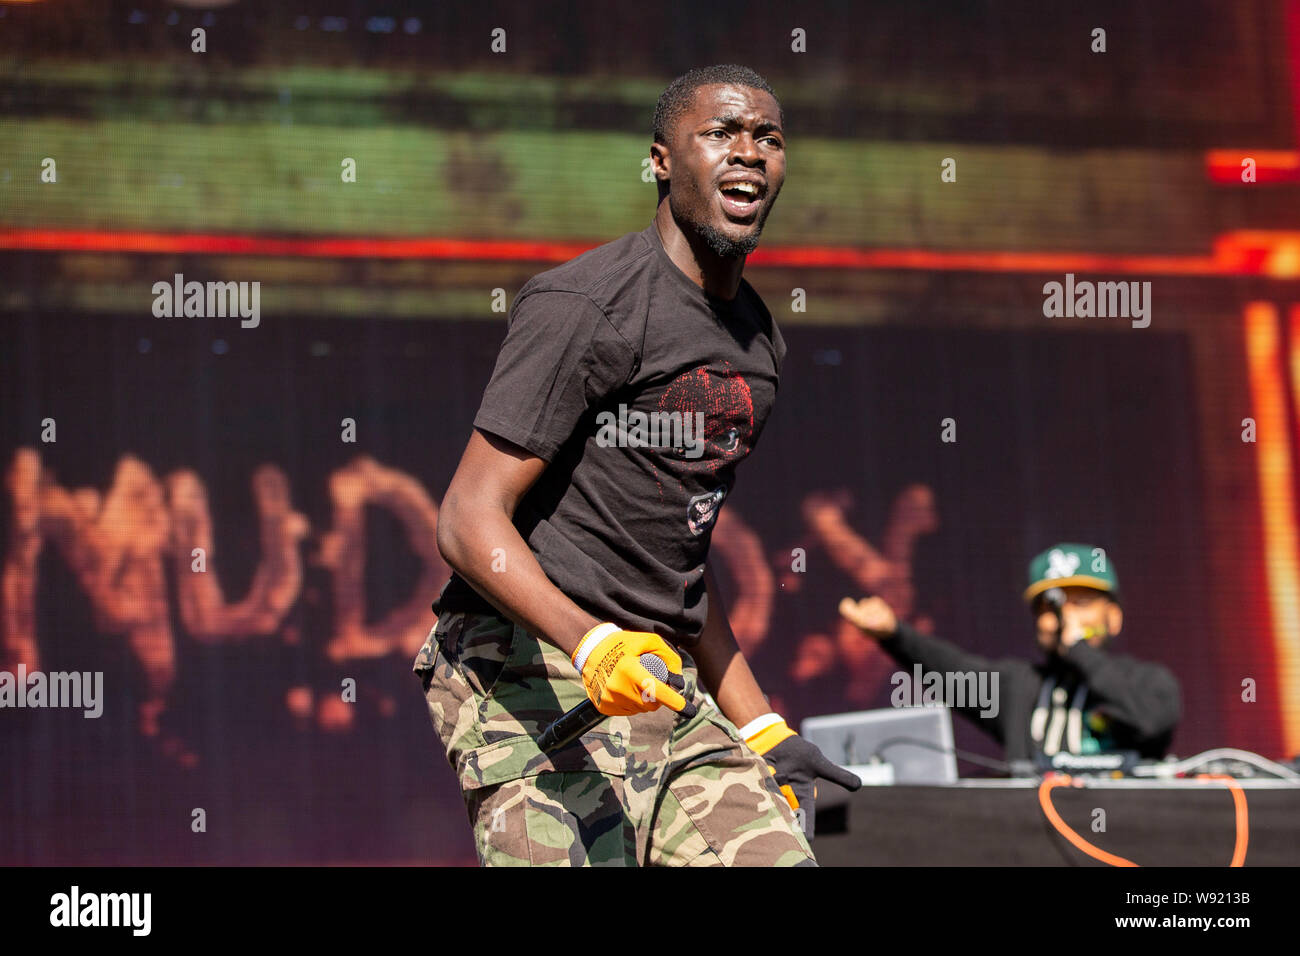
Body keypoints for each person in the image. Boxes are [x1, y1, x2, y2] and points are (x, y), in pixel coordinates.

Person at [414, 64, 860, 867]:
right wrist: (591, 646)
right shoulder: (588, 306)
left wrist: (758, 722)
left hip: (652, 670)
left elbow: (679, 553)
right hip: (524, 664)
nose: (749, 152)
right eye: (721, 133)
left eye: (768, 137)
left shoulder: (757, 343)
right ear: (660, 161)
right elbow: (466, 518)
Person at [839, 543, 1181, 764]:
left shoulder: (1150, 681)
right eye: (1052, 607)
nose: (1066, 617)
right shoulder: (1020, 686)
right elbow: (950, 672)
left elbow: (1148, 720)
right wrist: (894, 634)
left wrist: (1078, 647)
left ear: (1114, 617)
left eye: (1082, 603)